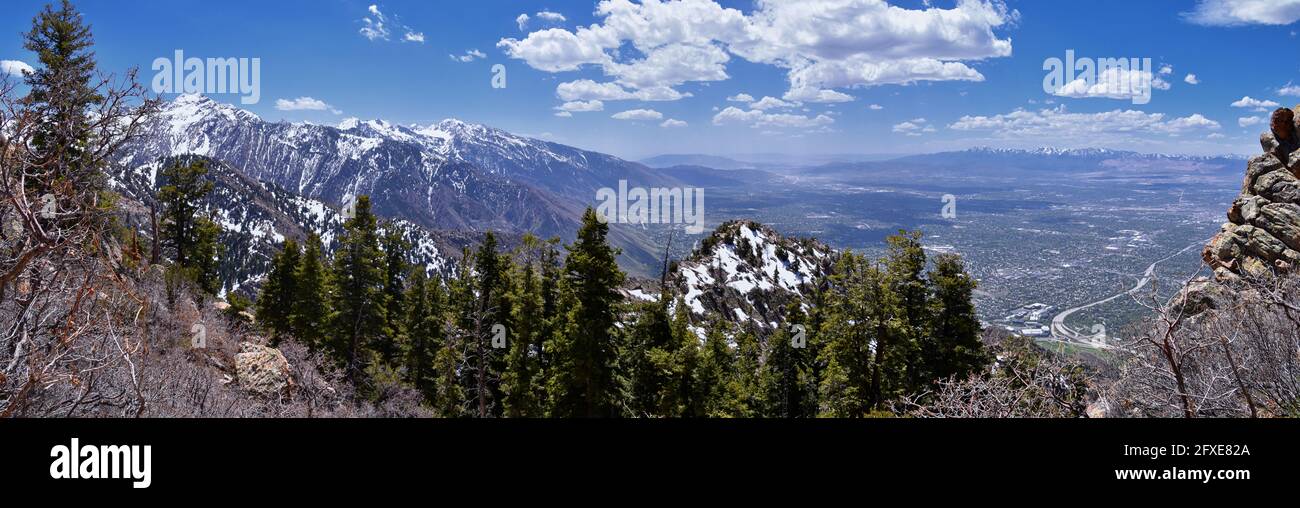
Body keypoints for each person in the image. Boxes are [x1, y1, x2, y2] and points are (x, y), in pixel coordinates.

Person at [1261, 107, 1299, 177]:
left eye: (1286, 122)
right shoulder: (1269, 140)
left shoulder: (1295, 135)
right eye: (1280, 121)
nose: (1283, 124)